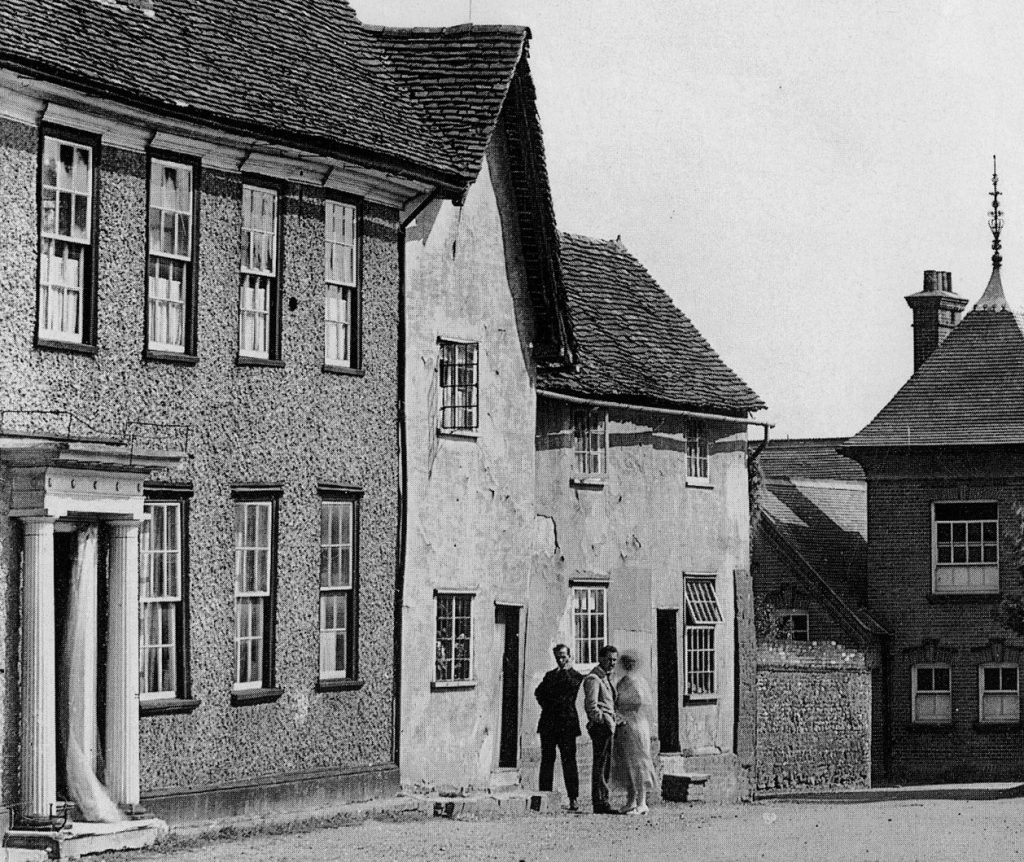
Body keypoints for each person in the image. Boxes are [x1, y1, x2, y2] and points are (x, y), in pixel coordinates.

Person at [535, 644, 586, 811]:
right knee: (547, 760)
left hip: (567, 725)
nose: (560, 660)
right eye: (558, 657)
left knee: (569, 761)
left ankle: (573, 798)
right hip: (549, 723)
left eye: (563, 656)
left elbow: (570, 687)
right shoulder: (550, 675)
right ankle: (545, 796)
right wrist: (548, 706)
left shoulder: (575, 676)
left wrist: (565, 670)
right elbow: (539, 693)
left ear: (570, 657)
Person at [609, 651, 657, 815]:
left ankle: (642, 802)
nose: (628, 666)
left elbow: (642, 702)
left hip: (636, 725)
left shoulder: (639, 682)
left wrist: (626, 713)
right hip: (624, 727)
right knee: (625, 763)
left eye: (631, 663)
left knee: (639, 762)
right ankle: (630, 801)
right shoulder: (622, 682)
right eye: (626, 663)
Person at [583, 644, 618, 814]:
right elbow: (591, 706)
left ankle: (603, 799)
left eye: (614, 660)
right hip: (601, 727)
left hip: (608, 726)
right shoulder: (593, 678)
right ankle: (600, 802)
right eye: (609, 659)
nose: (612, 663)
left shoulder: (606, 678)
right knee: (601, 764)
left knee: (606, 765)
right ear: (601, 659)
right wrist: (603, 720)